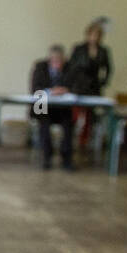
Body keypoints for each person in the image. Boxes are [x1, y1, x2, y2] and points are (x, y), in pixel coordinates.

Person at [65, 18, 113, 157]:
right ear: (88, 35)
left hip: (94, 87)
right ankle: (71, 141)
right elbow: (71, 68)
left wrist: (104, 81)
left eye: (97, 35)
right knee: (75, 115)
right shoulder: (79, 49)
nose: (94, 37)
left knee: (89, 117)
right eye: (92, 34)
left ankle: (84, 143)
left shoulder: (103, 51)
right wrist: (71, 85)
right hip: (78, 86)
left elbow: (108, 68)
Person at [29, 45, 75, 171]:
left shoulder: (69, 68)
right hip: (43, 106)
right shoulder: (40, 67)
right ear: (49, 59)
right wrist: (50, 91)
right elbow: (35, 89)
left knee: (68, 124)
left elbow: (76, 86)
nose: (57, 63)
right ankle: (46, 157)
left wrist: (66, 90)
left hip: (62, 108)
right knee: (44, 123)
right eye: (54, 60)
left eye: (59, 60)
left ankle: (67, 158)